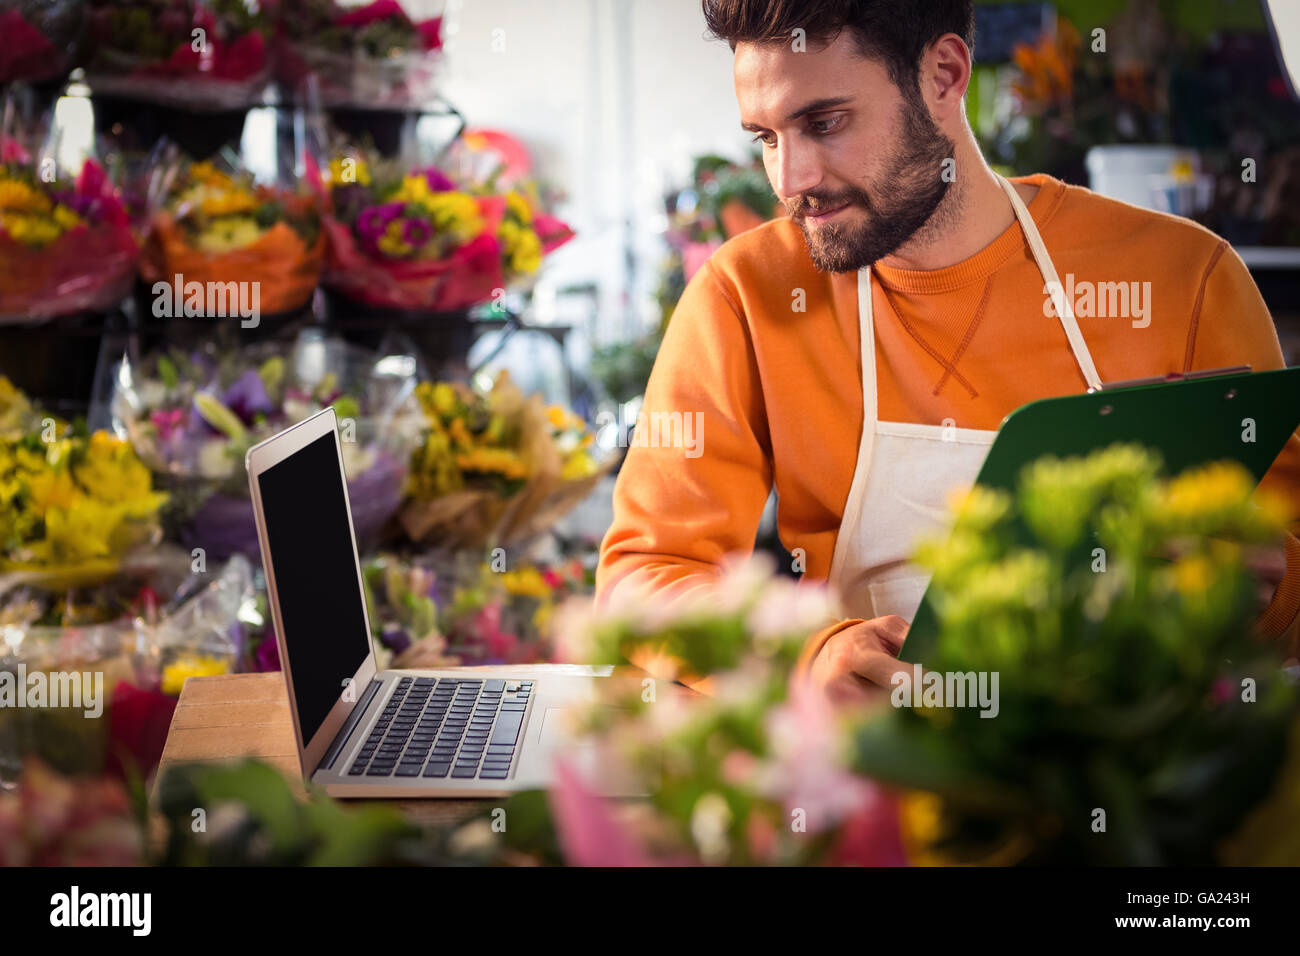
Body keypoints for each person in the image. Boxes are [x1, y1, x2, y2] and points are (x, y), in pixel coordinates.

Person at [595, 0, 1300, 704]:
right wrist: (803, 655)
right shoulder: (747, 295)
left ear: (943, 74)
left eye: (824, 123)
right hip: (877, 773)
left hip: (1132, 773)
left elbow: (1286, 566)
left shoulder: (1182, 277)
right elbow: (640, 580)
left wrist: (1258, 589)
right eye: (766, 138)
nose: (790, 181)